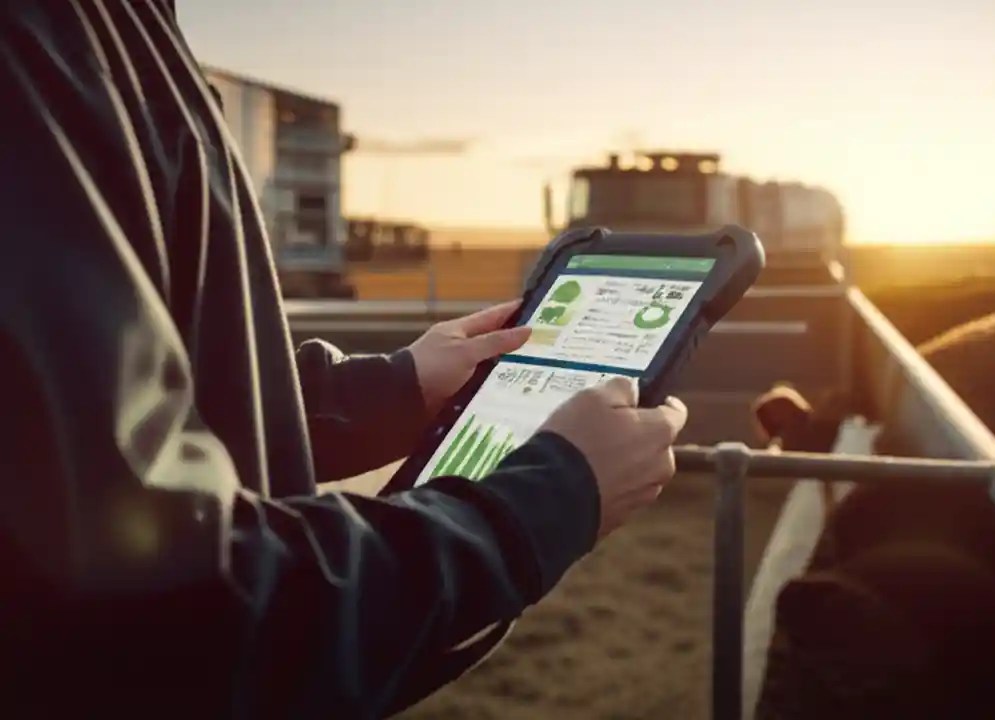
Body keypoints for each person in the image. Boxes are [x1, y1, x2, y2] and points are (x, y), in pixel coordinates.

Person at [0, 1, 687, 717]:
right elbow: (163, 620)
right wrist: (542, 508)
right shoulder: (38, 42)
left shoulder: (104, 28)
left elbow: (129, 399)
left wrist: (391, 390)